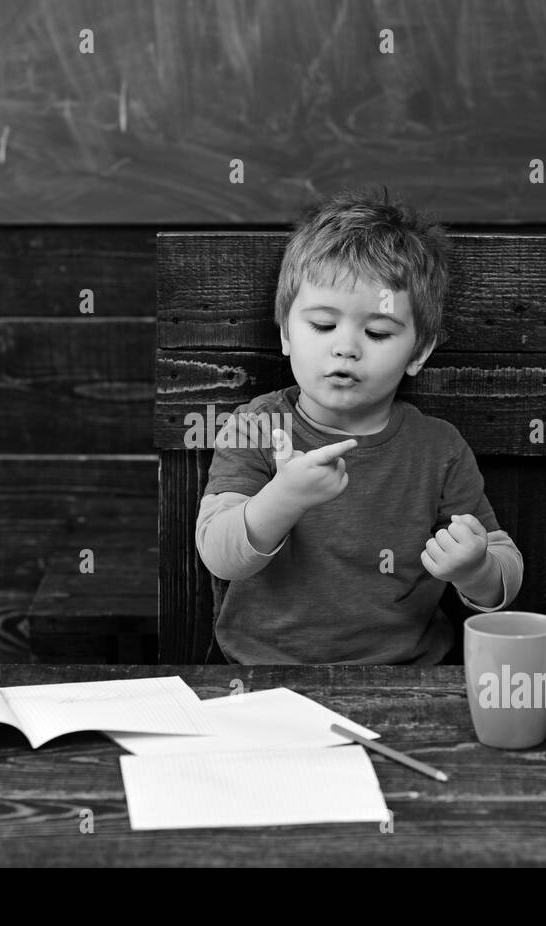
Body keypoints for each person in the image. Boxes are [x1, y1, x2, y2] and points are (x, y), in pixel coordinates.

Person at [195, 187, 524, 664]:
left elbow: (504, 569)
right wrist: (285, 497)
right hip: (265, 675)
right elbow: (220, 556)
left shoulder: (439, 449)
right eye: (323, 326)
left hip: (409, 676)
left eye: (377, 333)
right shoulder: (257, 426)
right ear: (286, 332)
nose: (346, 348)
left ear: (418, 352)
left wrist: (474, 568)